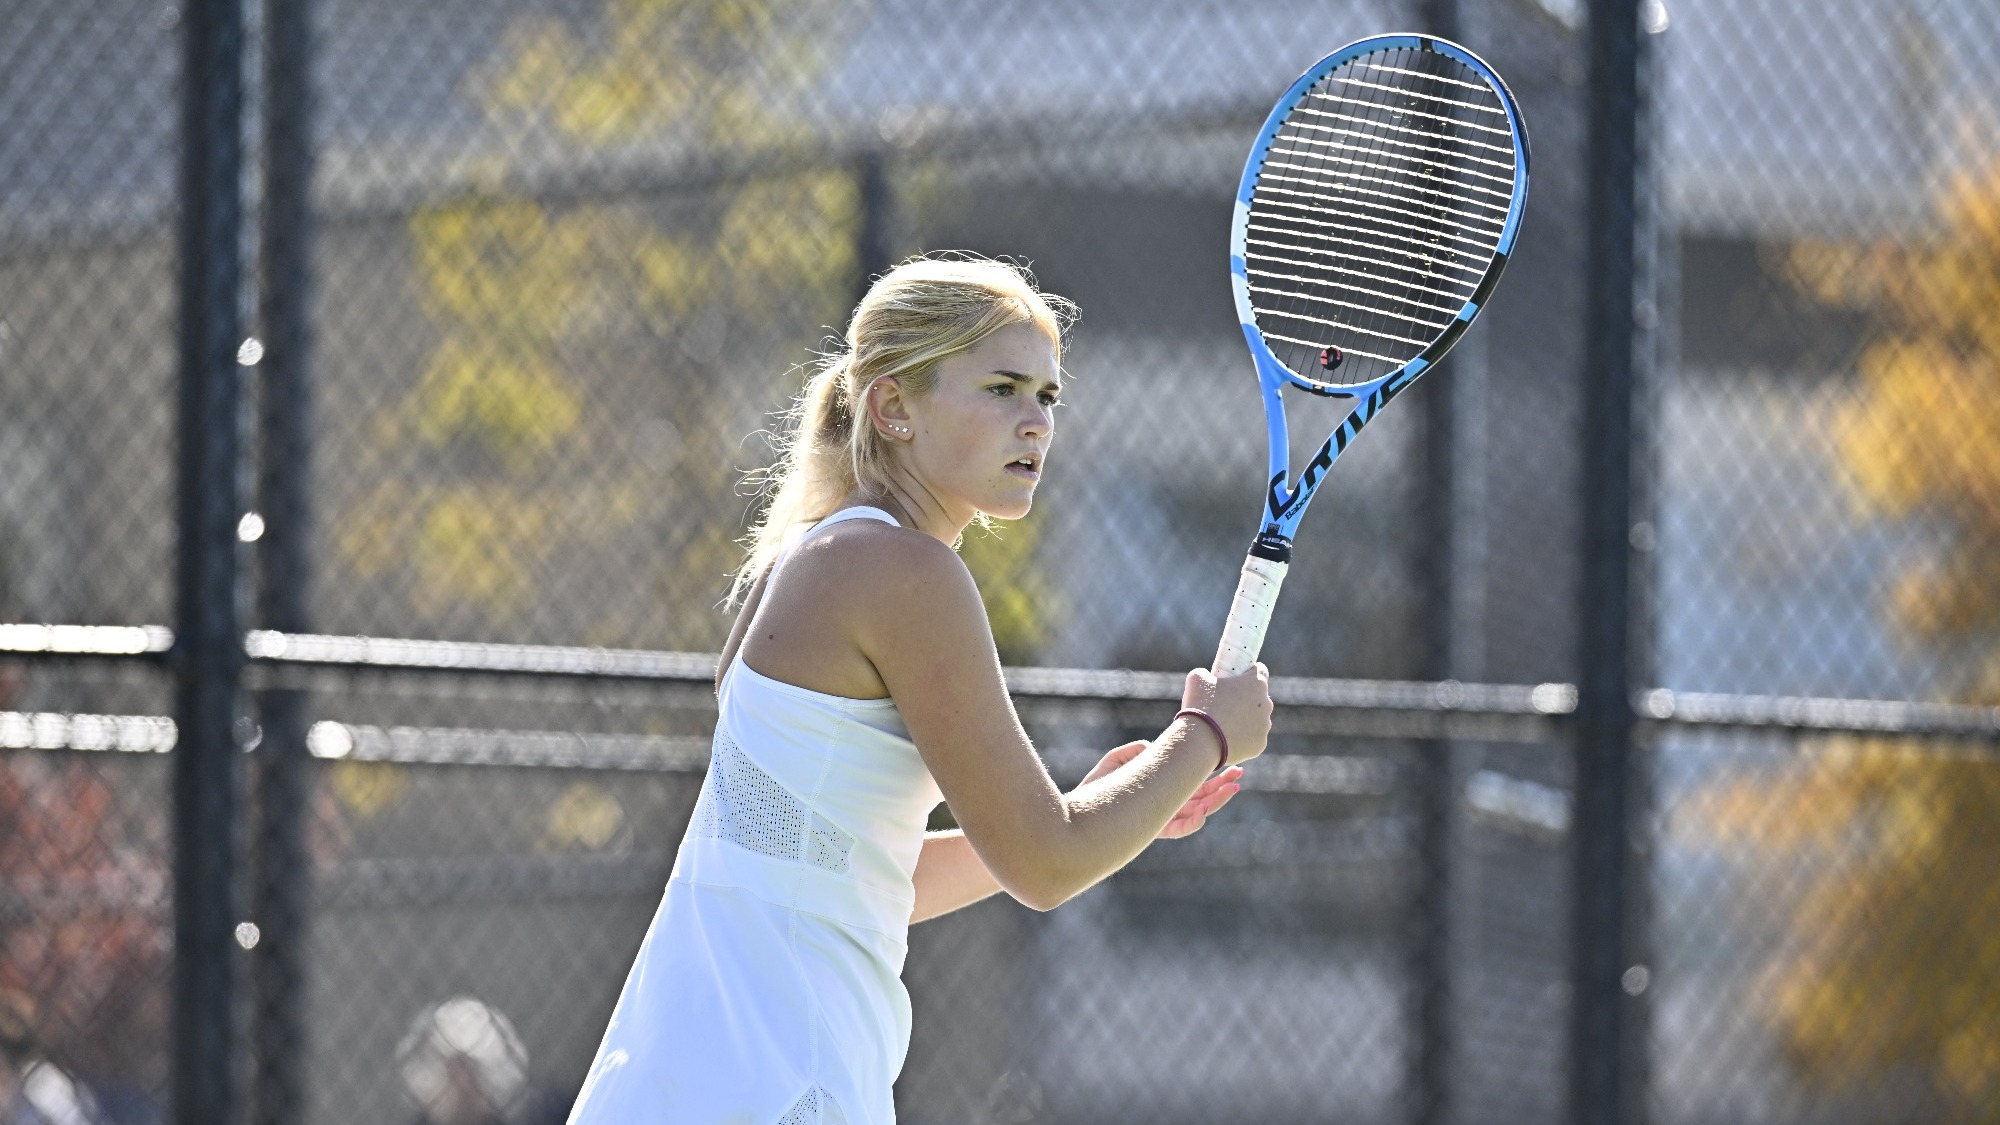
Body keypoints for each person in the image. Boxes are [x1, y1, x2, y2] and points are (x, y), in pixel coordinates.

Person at [567, 255, 1272, 1125]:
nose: (1035, 423)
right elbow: (1045, 861)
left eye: (1047, 397)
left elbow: (865, 876)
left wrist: (1113, 801)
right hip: (777, 1092)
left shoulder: (816, 555)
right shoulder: (902, 571)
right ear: (892, 406)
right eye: (1003, 388)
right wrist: (1205, 734)